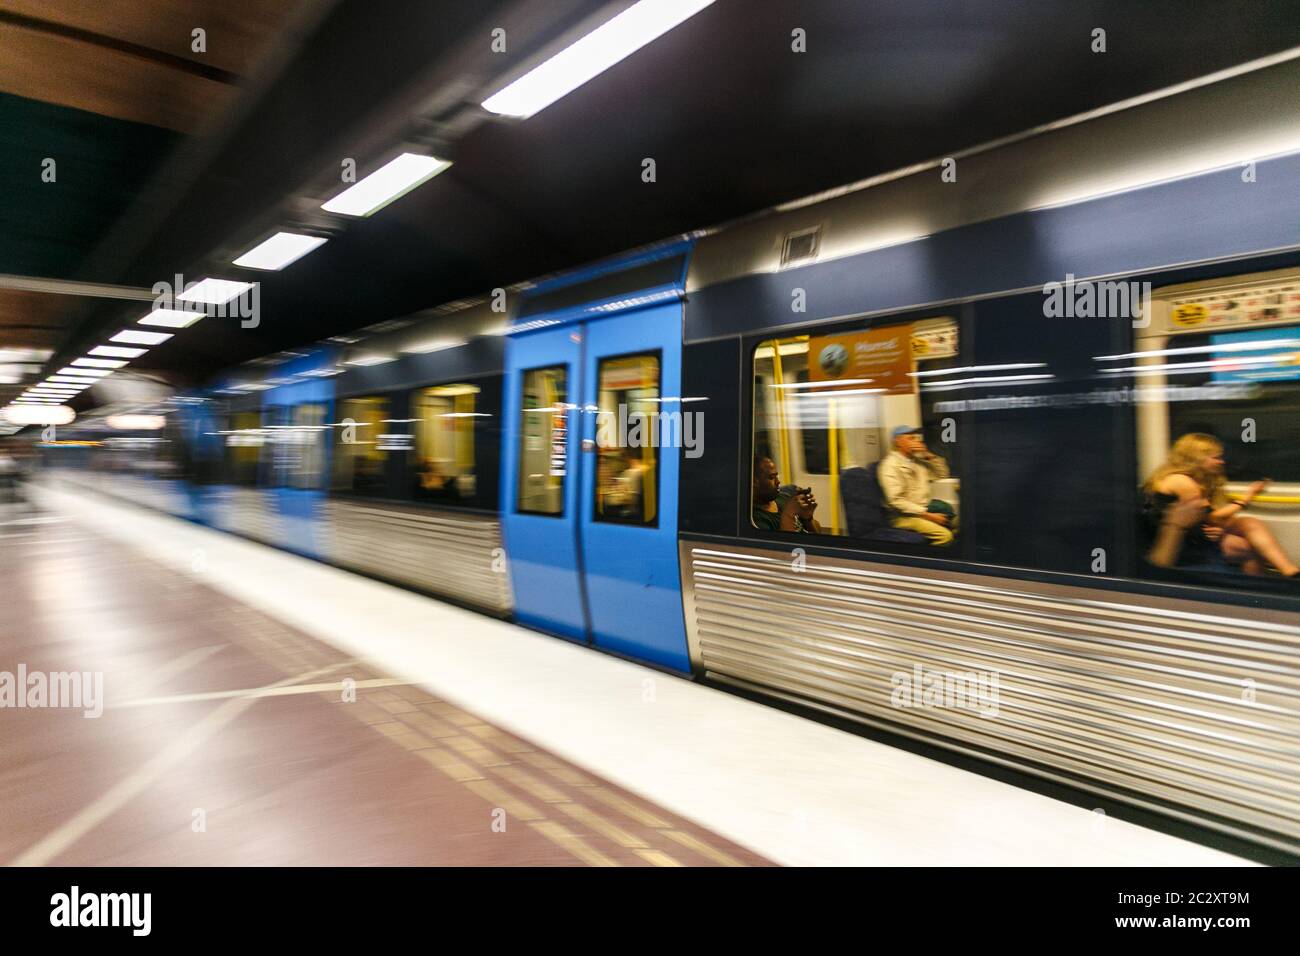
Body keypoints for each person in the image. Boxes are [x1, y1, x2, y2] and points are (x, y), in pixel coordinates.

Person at [1144, 432, 1298, 577]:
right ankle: (1284, 575)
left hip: (1191, 536)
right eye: (1216, 458)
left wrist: (1219, 528)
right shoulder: (1182, 482)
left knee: (1248, 537)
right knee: (1249, 527)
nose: (1221, 462)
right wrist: (1246, 499)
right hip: (1180, 544)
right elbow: (1211, 518)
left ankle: (1282, 576)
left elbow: (1207, 519)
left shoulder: (1201, 481)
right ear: (1196, 459)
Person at [878, 425, 953, 546]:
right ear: (897, 442)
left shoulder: (917, 462)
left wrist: (928, 454)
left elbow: (942, 474)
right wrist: (929, 516)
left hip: (922, 508)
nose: (917, 441)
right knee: (945, 536)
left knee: (957, 522)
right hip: (902, 517)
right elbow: (896, 501)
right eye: (911, 438)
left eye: (916, 438)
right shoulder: (889, 466)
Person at [751, 455, 821, 533]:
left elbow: (817, 533)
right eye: (772, 477)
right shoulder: (756, 519)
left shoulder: (784, 497)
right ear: (754, 482)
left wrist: (808, 518)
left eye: (776, 476)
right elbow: (786, 544)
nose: (778, 482)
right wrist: (789, 514)